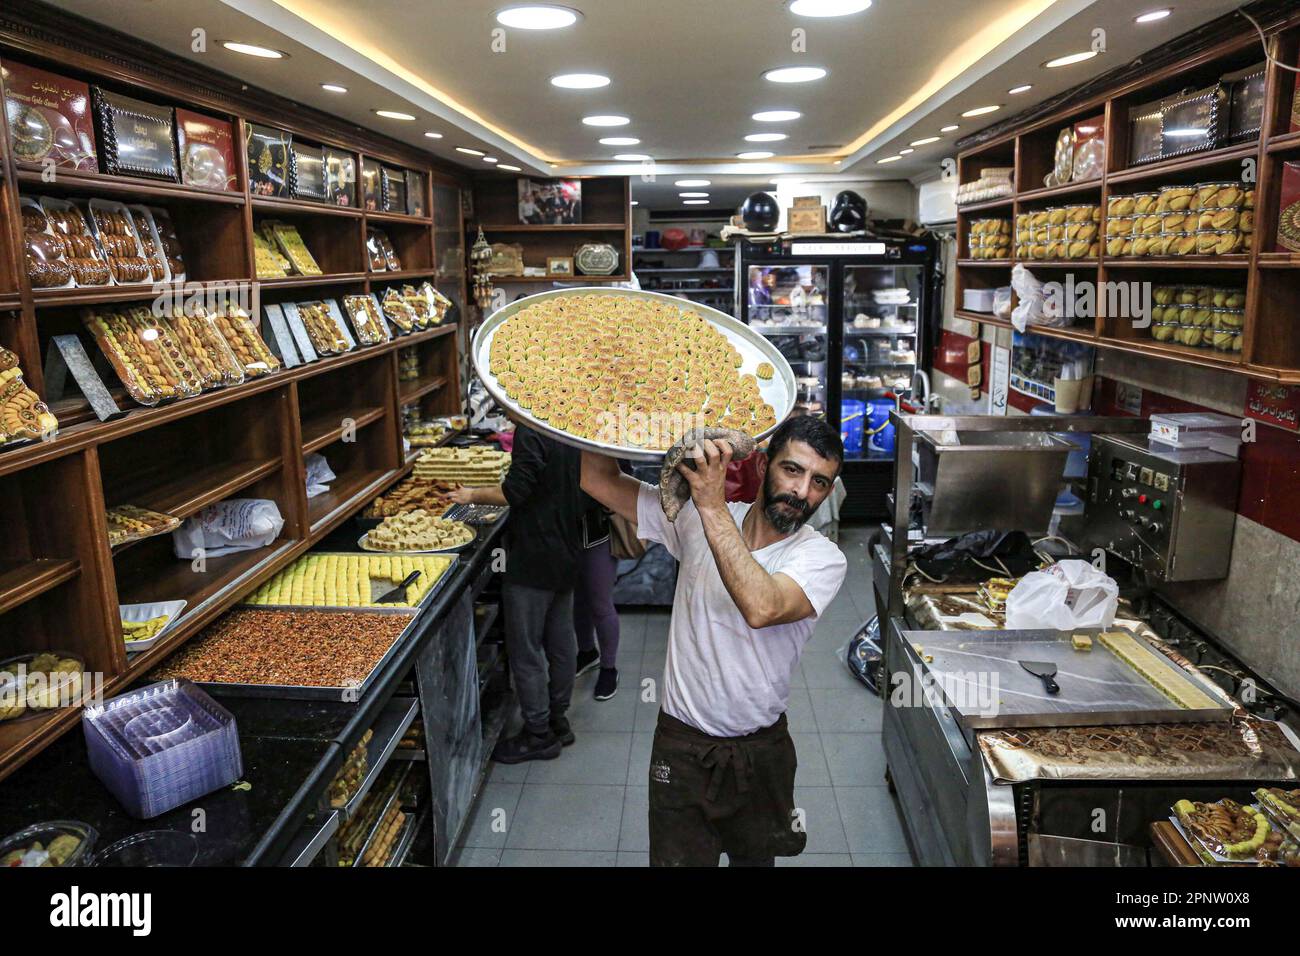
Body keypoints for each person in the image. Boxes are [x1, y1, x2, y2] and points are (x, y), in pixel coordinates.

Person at [579, 415, 848, 866]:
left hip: (760, 754)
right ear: (763, 466)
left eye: (820, 482)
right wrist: (602, 401)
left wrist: (711, 504)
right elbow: (596, 477)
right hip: (681, 749)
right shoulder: (698, 521)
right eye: (793, 470)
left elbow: (761, 606)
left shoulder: (820, 557)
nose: (803, 492)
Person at [452, 424, 584, 763]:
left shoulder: (531, 429)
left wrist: (471, 495)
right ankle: (558, 719)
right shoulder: (564, 419)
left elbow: (516, 492)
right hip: (567, 545)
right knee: (561, 639)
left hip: (534, 553)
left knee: (525, 648)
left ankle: (538, 733)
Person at [574, 495, 621, 700]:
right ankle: (587, 652)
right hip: (563, 534)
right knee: (577, 600)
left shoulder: (603, 460)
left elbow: (622, 476)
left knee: (600, 603)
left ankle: (609, 668)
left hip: (598, 532)